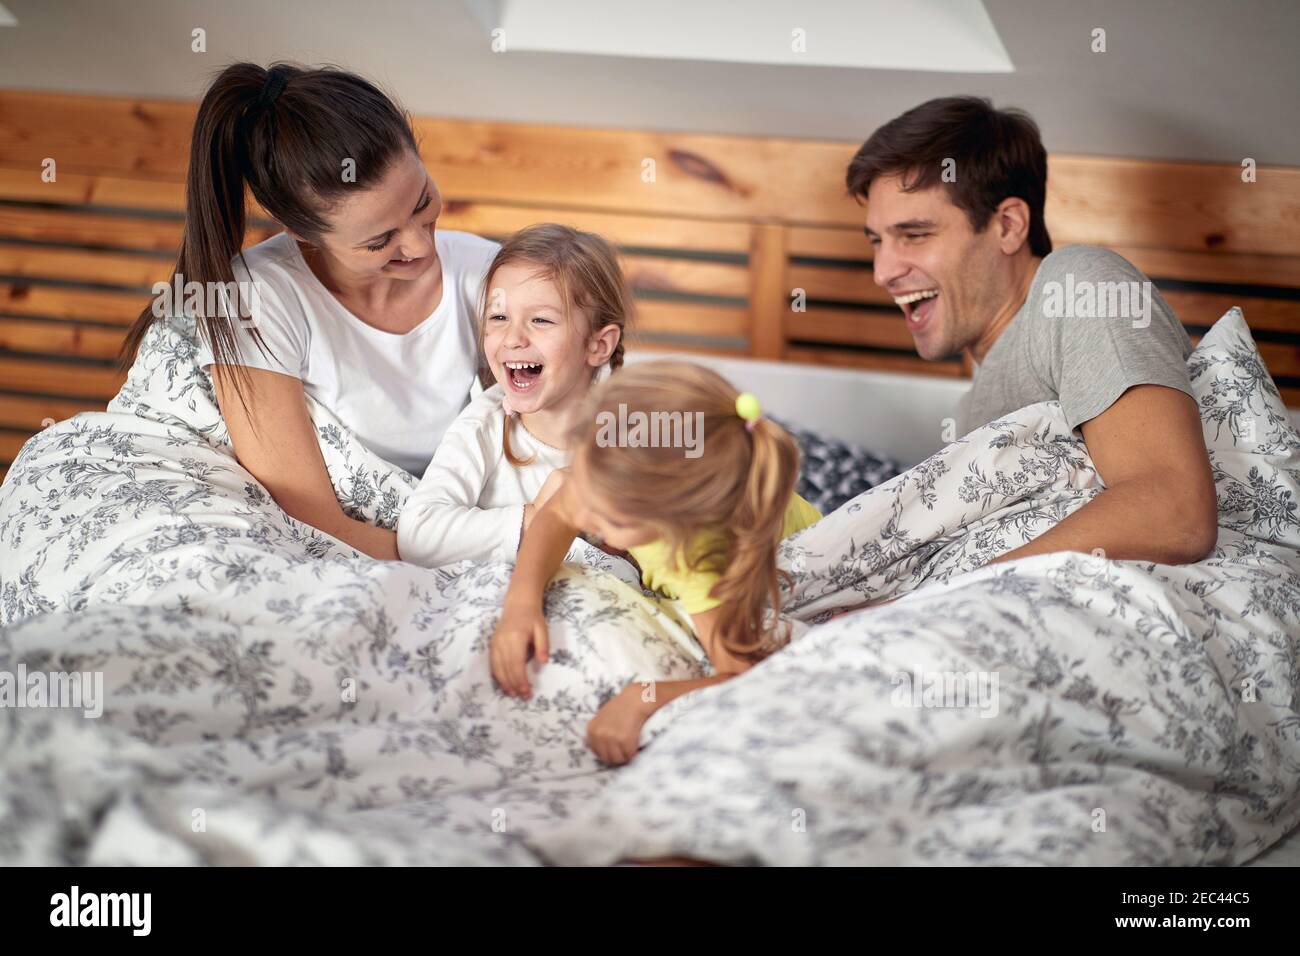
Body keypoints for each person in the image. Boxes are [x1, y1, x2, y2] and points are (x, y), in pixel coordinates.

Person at [120, 62, 498, 560]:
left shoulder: (487, 275)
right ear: (299, 233)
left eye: (423, 202)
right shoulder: (258, 298)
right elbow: (310, 521)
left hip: (427, 527)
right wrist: (485, 553)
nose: (419, 247)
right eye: (380, 241)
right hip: (338, 543)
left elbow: (543, 441)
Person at [845, 96, 1217, 566]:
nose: (882, 272)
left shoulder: (1079, 287)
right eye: (877, 241)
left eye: (915, 235)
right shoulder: (967, 420)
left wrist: (948, 593)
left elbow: (1177, 514)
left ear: (1007, 226)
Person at [490, 361, 822, 764]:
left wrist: (643, 699)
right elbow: (560, 513)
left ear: (665, 528)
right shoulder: (612, 468)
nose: (585, 516)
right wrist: (521, 603)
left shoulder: (697, 564)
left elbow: (740, 676)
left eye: (607, 520)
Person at [397, 224, 630, 566]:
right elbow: (418, 536)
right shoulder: (485, 425)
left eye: (540, 320)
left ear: (598, 345)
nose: (512, 338)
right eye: (499, 317)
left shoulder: (631, 425)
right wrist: (535, 517)